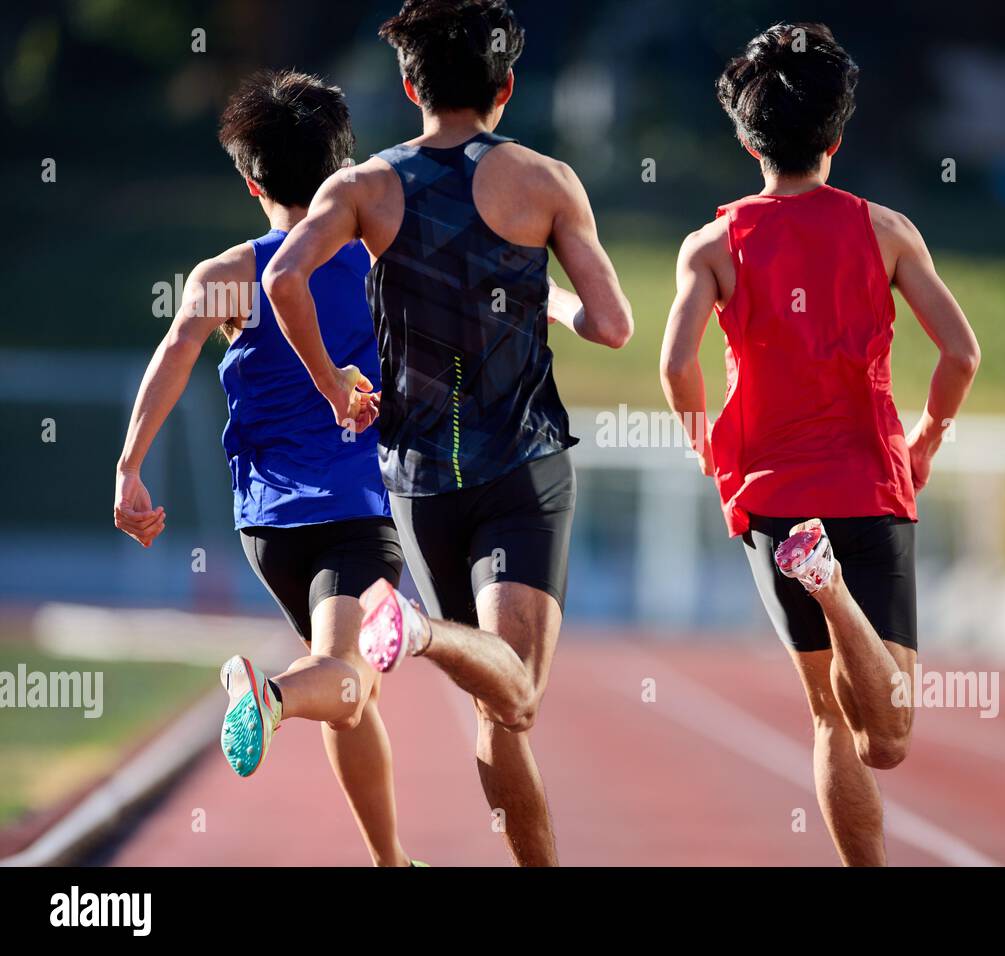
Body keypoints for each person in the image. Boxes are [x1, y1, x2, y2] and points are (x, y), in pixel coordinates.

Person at [263, 0, 633, 867]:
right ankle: (421, 632)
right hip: (522, 468)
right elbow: (614, 327)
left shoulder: (360, 188)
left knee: (496, 707)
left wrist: (331, 384)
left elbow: (283, 275)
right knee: (520, 696)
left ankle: (425, 633)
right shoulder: (546, 181)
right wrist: (551, 297)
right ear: (506, 88)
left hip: (421, 477)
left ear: (408, 86)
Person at [659, 22, 980, 866]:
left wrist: (705, 445)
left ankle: (825, 585)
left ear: (744, 137)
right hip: (871, 484)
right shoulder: (887, 231)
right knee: (891, 736)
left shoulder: (712, 244)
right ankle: (836, 591)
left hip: (772, 497)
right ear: (836, 137)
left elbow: (674, 363)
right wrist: (928, 440)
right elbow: (962, 353)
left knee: (831, 719)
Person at [113, 69, 422, 866]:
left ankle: (391, 861)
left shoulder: (226, 279)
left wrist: (129, 467)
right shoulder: (384, 257)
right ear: (344, 166)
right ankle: (271, 694)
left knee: (351, 692)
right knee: (340, 677)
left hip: (270, 526)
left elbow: (172, 357)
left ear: (251, 181)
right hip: (357, 508)